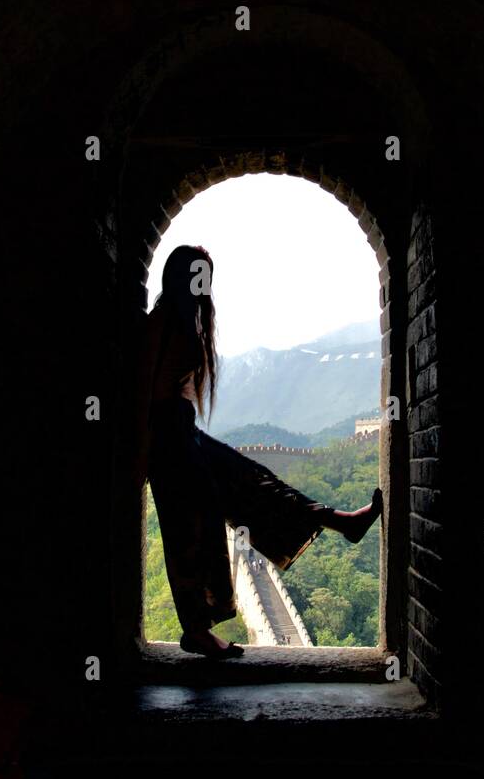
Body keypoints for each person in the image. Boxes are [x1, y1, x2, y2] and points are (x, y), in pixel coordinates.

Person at [134, 244, 382, 659]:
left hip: (185, 432)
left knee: (253, 483)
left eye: (207, 273)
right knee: (192, 529)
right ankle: (196, 629)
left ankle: (340, 522)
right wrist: (140, 458)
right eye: (198, 272)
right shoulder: (160, 324)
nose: (204, 281)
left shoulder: (191, 321)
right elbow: (141, 395)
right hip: (167, 438)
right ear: (179, 276)